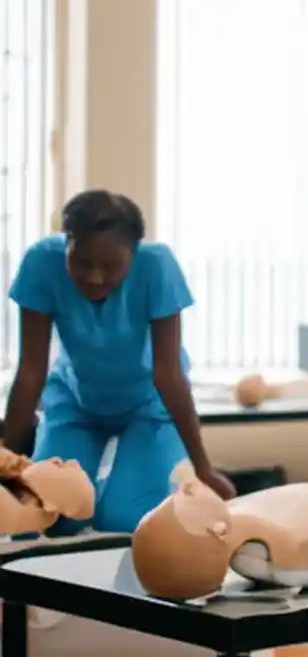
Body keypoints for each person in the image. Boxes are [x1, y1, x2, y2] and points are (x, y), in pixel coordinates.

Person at [2, 190, 234, 534]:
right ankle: (100, 482)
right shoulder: (41, 262)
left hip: (147, 407)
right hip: (76, 404)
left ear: (133, 253)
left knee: (126, 520)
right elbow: (31, 369)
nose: (95, 277)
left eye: (110, 267)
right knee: (50, 516)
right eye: (82, 263)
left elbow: (168, 374)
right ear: (67, 242)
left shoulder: (157, 266)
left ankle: (138, 479)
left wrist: (203, 468)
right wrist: (6, 458)